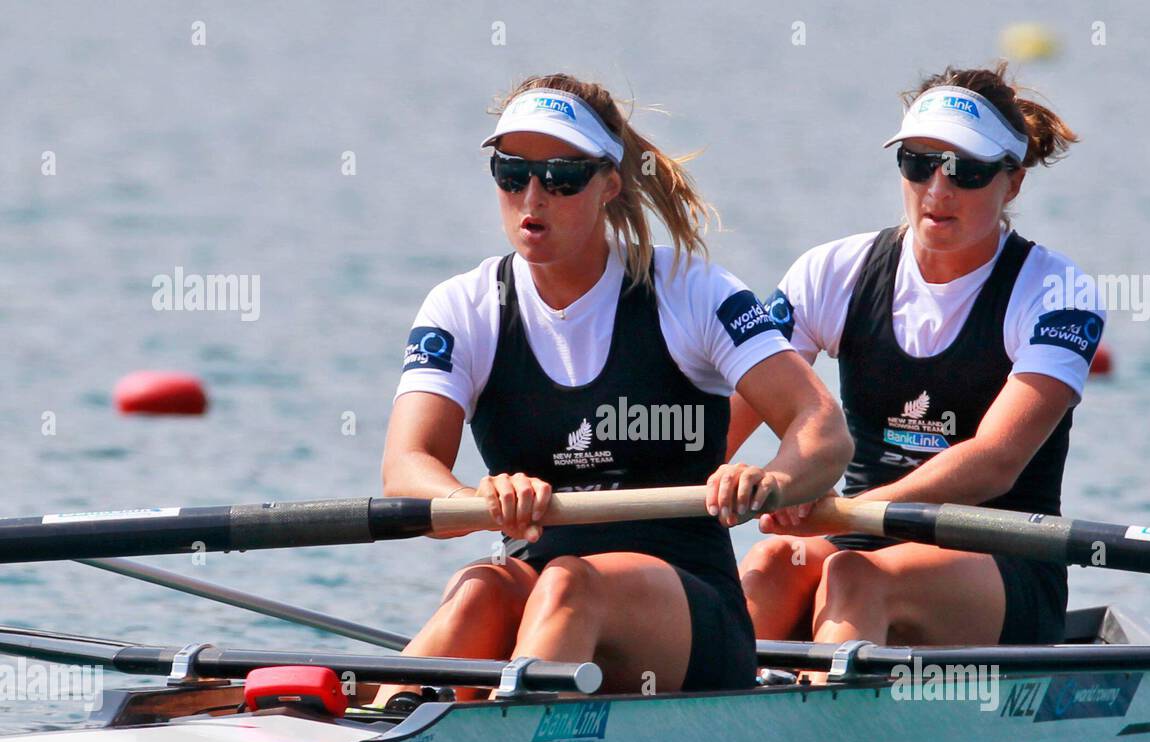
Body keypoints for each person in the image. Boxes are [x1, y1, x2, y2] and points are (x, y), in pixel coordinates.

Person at [375, 74, 851, 705]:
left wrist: (769, 482)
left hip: (688, 608)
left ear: (608, 185)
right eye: (512, 172)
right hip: (543, 591)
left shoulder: (690, 292)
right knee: (483, 587)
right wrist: (474, 498)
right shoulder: (463, 307)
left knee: (569, 583)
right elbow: (406, 470)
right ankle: (363, 736)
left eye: (562, 176)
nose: (532, 196)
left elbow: (823, 428)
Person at [729, 63, 1104, 650]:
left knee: (852, 575)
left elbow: (994, 460)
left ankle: (813, 715)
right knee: (773, 559)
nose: (937, 190)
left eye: (966, 171)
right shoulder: (831, 272)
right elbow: (725, 422)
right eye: (919, 163)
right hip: (859, 537)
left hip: (1000, 557)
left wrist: (840, 511)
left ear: (1013, 183)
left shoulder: (1056, 292)